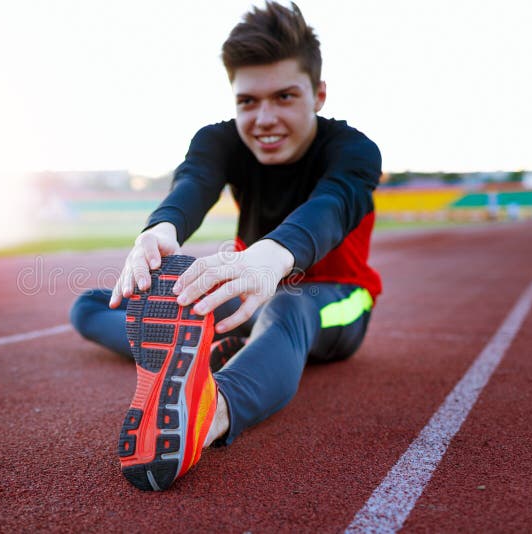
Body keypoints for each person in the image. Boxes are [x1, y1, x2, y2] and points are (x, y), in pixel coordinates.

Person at [70, 1, 382, 491]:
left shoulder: (353, 151)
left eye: (284, 96)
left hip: (336, 300)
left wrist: (271, 256)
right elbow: (193, 182)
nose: (264, 118)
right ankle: (207, 348)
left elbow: (331, 206)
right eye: (248, 101)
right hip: (246, 290)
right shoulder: (220, 142)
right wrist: (160, 230)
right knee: (89, 305)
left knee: (287, 306)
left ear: (318, 95)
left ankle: (209, 410)